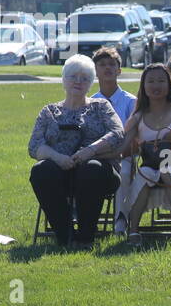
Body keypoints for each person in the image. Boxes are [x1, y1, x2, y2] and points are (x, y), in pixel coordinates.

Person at [28, 55, 125, 248]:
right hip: (60, 170)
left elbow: (118, 133)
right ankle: (65, 236)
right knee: (40, 171)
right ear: (63, 79)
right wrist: (57, 157)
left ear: (91, 83)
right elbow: (34, 146)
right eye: (73, 76)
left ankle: (85, 237)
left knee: (91, 169)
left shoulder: (101, 106)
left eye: (85, 78)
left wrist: (90, 150)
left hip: (98, 172)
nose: (78, 82)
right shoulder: (49, 111)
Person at [120, 62, 171, 244]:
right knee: (146, 172)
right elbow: (123, 143)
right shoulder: (139, 115)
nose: (156, 86)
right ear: (143, 87)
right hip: (151, 166)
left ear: (169, 84)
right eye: (150, 81)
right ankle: (133, 231)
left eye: (161, 81)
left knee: (166, 169)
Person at [91, 48, 137, 235]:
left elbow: (134, 136)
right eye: (102, 65)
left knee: (124, 172)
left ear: (119, 70)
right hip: (96, 156)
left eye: (112, 64)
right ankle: (86, 218)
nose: (107, 68)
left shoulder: (131, 101)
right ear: (95, 70)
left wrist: (120, 153)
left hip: (124, 155)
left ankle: (120, 220)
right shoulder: (90, 101)